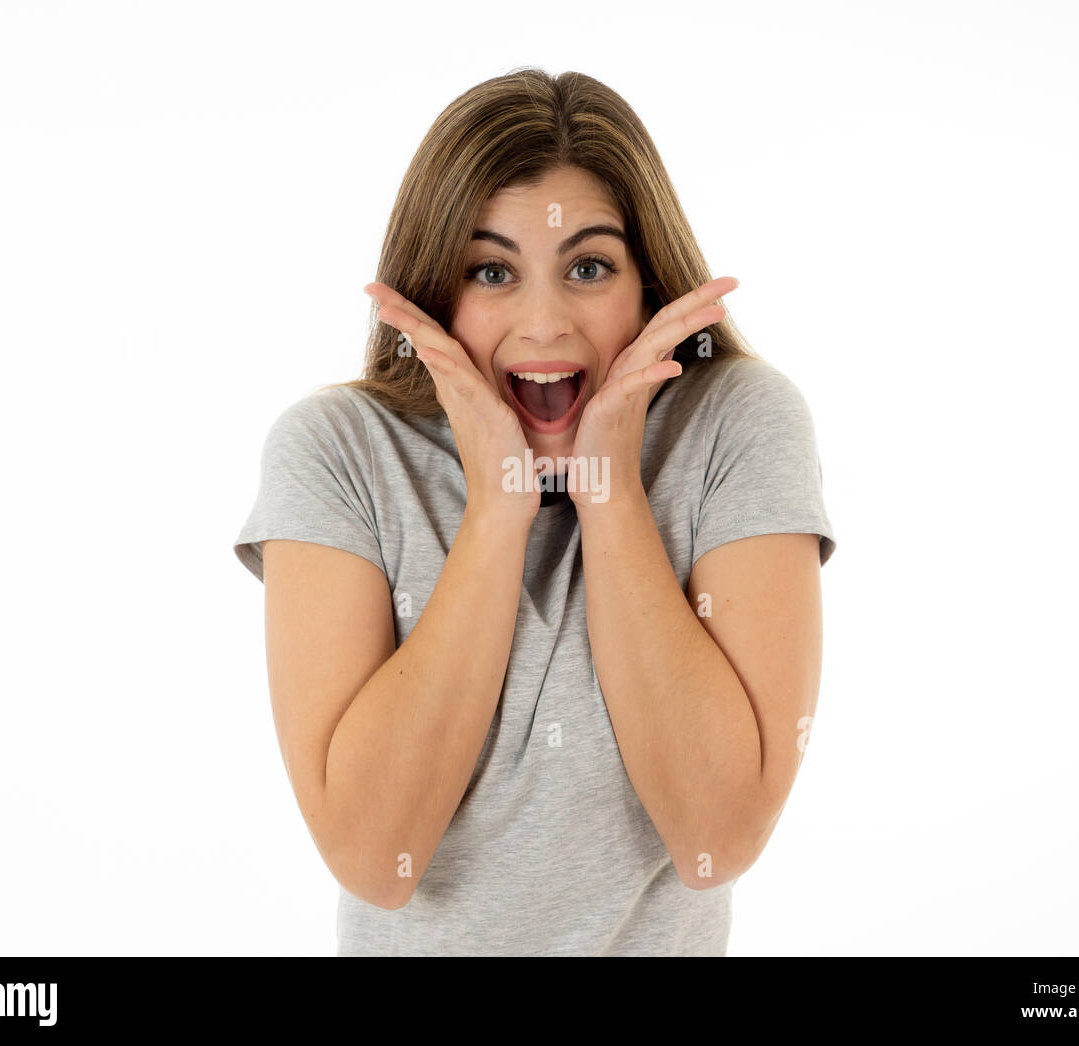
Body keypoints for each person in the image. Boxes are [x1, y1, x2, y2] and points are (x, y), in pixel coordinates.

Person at [233, 67, 837, 956]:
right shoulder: (337, 451)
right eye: (492, 271)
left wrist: (610, 489)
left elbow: (719, 842)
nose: (545, 323)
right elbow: (375, 859)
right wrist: (496, 513)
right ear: (433, 293)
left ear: (648, 285)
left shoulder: (737, 423)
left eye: (588, 266)